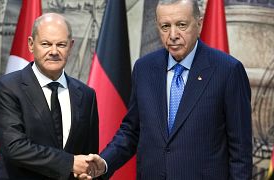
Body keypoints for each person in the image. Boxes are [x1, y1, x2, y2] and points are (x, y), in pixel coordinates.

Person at [85, 0, 253, 179]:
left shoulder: (227, 71)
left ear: (199, 23)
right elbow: (132, 131)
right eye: (165, 26)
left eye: (181, 25)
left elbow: (240, 151)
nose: (173, 35)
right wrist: (104, 162)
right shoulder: (144, 68)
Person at [0, 13, 99, 180]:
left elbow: (88, 155)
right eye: (46, 44)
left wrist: (87, 172)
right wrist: (69, 163)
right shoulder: (7, 88)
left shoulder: (86, 95)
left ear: (71, 46)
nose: (54, 51)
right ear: (31, 44)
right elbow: (15, 147)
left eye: (61, 44)